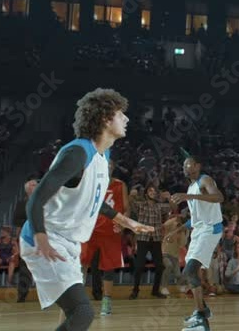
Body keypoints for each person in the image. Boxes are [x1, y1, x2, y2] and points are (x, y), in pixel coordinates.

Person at [19, 88, 153, 331]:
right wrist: (42, 239)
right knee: (82, 313)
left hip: (69, 242)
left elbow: (93, 200)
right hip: (48, 239)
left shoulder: (103, 155)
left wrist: (128, 222)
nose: (127, 119)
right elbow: (36, 198)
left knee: (71, 314)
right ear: (104, 118)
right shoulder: (78, 152)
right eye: (121, 114)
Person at [169, 152, 225, 331]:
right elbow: (195, 219)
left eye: (190, 164)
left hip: (211, 229)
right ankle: (202, 311)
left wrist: (190, 198)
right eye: (184, 166)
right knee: (190, 274)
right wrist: (176, 231)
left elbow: (218, 198)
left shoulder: (205, 180)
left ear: (198, 166)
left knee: (190, 269)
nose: (187, 168)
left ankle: (202, 318)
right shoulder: (191, 188)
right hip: (199, 231)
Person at [79, 158, 128, 315]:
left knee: (109, 267)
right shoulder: (90, 184)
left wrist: (123, 223)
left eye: (110, 165)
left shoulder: (120, 185)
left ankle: (106, 301)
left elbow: (127, 209)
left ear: (113, 167)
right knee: (82, 263)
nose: (107, 167)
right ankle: (78, 300)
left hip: (111, 231)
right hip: (91, 230)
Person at [129, 184, 172, 299]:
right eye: (150, 190)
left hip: (156, 239)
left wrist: (169, 198)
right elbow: (131, 203)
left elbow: (172, 207)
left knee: (160, 266)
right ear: (146, 193)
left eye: (154, 191)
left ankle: (155, 290)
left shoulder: (160, 206)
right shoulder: (141, 205)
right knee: (138, 266)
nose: (152, 192)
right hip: (143, 238)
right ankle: (135, 290)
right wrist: (132, 195)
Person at [17, 177, 39, 303]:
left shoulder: (45, 201)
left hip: (44, 238)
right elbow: (16, 221)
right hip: (27, 238)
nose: (35, 185)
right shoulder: (22, 204)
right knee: (25, 268)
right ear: (27, 189)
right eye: (32, 184)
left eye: (36, 184)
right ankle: (22, 295)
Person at [161, 215, 189, 296]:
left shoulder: (182, 232)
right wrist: (175, 218)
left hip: (175, 256)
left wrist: (184, 232)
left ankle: (181, 286)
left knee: (178, 274)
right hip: (165, 253)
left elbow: (182, 244)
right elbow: (165, 225)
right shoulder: (170, 227)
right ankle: (163, 287)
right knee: (168, 266)